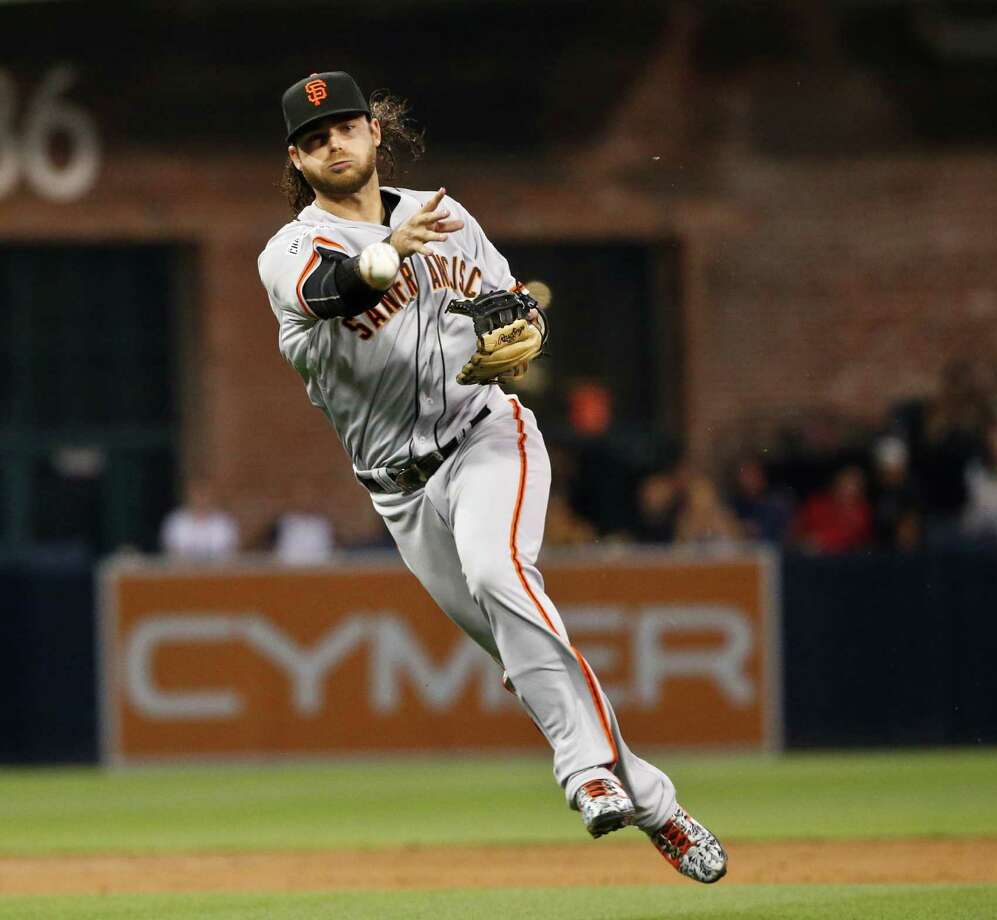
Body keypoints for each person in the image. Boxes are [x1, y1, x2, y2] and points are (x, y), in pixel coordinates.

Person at [256, 72, 724, 883]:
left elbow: (512, 303)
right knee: (521, 648)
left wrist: (522, 323)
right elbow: (331, 292)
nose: (333, 143)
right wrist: (385, 257)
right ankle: (654, 802)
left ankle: (583, 774)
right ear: (298, 159)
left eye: (344, 126)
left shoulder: (447, 214)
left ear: (373, 131)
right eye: (313, 137)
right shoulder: (290, 250)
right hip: (400, 491)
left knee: (498, 570)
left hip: (486, 438)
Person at [790, 466, 873, 554]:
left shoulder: (862, 510)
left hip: (844, 559)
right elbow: (795, 532)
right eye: (845, 483)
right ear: (836, 484)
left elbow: (857, 539)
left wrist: (821, 541)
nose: (849, 489)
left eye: (854, 485)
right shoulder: (817, 504)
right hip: (811, 558)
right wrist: (803, 542)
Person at [159, 478, 239, 560]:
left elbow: (230, 558)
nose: (201, 498)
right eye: (197, 494)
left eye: (204, 494)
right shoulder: (176, 522)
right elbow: (170, 556)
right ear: (189, 495)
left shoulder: (223, 523)